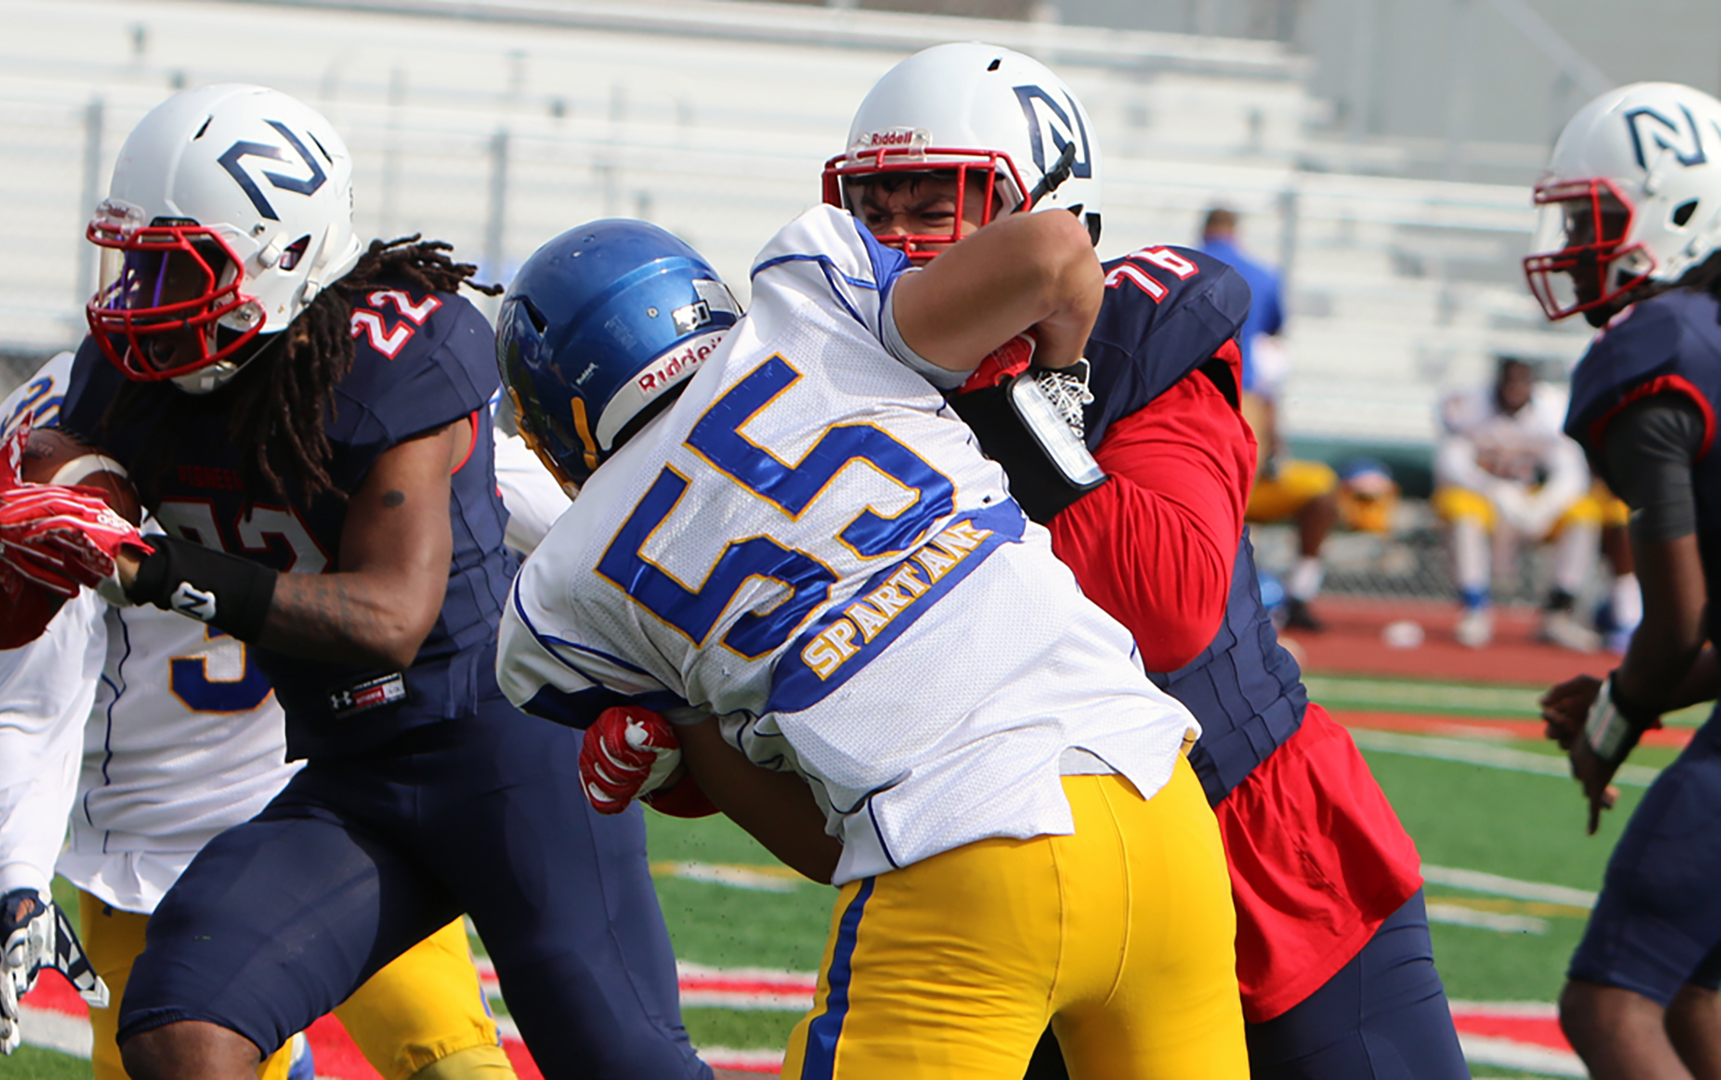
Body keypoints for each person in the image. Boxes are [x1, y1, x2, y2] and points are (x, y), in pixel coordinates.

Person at [0, 84, 720, 1080]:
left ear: (285, 255)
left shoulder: (396, 353)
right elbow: (30, 574)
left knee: (623, 1063)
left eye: (178, 268)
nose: (142, 296)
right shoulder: (123, 381)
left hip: (504, 749)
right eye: (136, 263)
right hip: (352, 777)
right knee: (180, 1023)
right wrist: (18, 523)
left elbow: (393, 616)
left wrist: (157, 569)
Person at [820, 42, 1463, 1080]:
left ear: (1046, 210)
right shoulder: (852, 389)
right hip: (1022, 860)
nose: (898, 241)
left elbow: (1169, 607)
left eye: (935, 203)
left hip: (1253, 837)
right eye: (876, 204)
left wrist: (1015, 406)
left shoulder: (1136, 337)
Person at [494, 204, 1248, 1077]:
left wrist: (687, 749)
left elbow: (825, 849)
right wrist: (1056, 382)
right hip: (1161, 809)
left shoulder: (560, 600)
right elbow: (1054, 249)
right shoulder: (806, 295)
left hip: (964, 859)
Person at [0, 352, 516, 1080]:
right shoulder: (72, 428)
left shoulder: (344, 376)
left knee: (458, 1066)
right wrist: (19, 882)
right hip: (156, 849)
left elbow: (508, 481)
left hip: (333, 810)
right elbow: (32, 704)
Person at [1530, 81, 1721, 1078]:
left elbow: (1680, 621)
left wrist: (1611, 730)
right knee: (1695, 1000)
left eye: (1591, 217)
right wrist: (1618, 698)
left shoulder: (1660, 349)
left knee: (1611, 1002)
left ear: (1677, 211)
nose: (1575, 243)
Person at [1198, 207, 1337, 631]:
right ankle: (1277, 595)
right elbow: (1273, 334)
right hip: (1243, 403)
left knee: (1210, 506)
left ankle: (1220, 597)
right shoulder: (1262, 275)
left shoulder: (1182, 262)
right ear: (1237, 232)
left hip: (1187, 396)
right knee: (1236, 503)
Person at [1435, 356, 1607, 650]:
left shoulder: (1552, 409)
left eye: (1521, 382)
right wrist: (1495, 491)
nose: (1515, 389)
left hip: (1535, 499)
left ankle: (1558, 614)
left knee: (1586, 512)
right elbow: (1452, 464)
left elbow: (1570, 470)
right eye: (1509, 381)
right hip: (1485, 498)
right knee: (1459, 508)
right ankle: (1474, 609)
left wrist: (1545, 504)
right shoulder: (1470, 406)